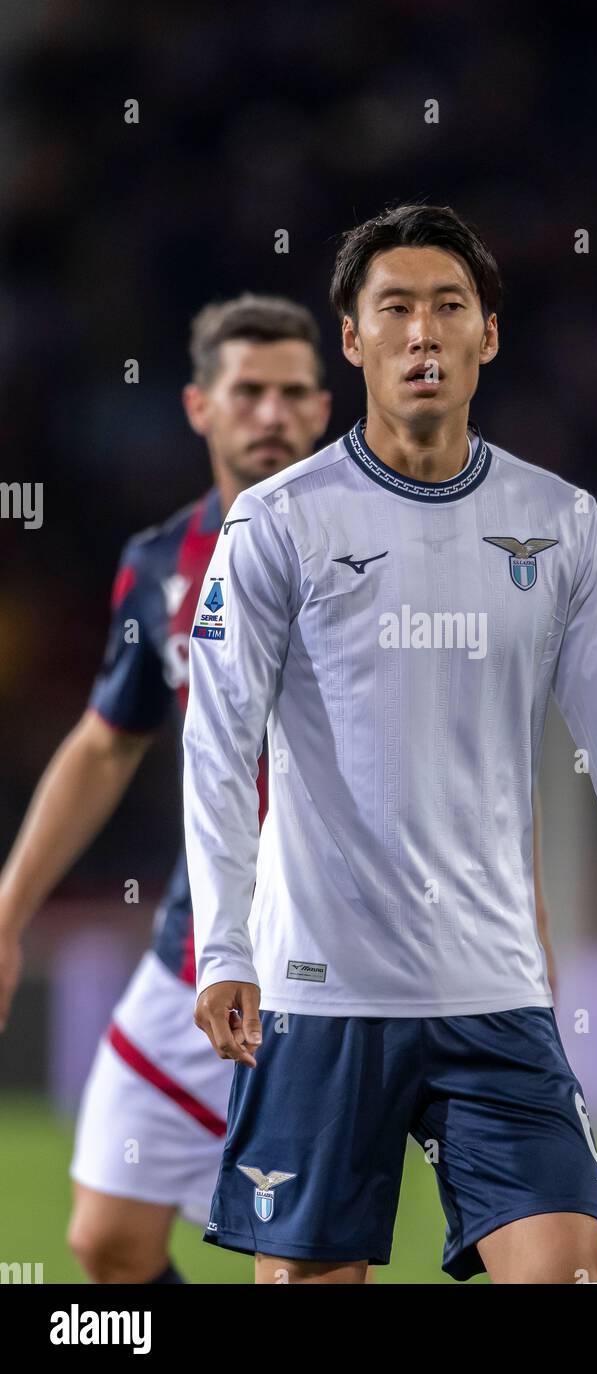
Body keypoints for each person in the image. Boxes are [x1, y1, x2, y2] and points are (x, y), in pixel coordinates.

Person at [184, 203, 597, 1286]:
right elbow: (217, 748)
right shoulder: (278, 522)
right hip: (320, 996)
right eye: (392, 307)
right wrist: (224, 949)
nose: (421, 332)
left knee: (560, 1271)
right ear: (350, 339)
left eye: (448, 306)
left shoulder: (559, 523)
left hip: (492, 993)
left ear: (487, 334)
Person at [0, 294, 332, 1282]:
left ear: (324, 408)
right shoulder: (157, 569)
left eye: (292, 393)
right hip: (197, 949)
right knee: (106, 1240)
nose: (270, 413)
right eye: (248, 392)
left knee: (302, 1263)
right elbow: (106, 744)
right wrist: (10, 911)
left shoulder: (378, 557)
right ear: (198, 407)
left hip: (335, 965)